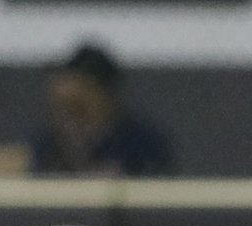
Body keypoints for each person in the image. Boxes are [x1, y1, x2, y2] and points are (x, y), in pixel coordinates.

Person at [25, 44, 173, 177]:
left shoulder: (143, 147)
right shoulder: (46, 148)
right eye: (59, 109)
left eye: (78, 108)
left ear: (108, 98)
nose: (68, 121)